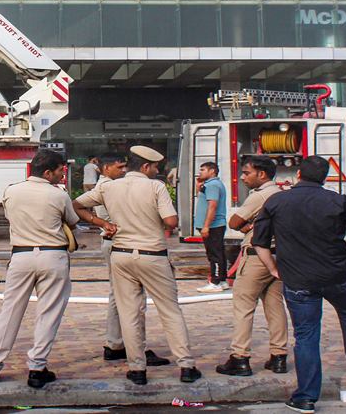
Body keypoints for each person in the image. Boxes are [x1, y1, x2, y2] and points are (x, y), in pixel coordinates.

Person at [252, 155, 346, 414]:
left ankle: (306, 397)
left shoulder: (277, 201)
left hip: (297, 278)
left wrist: (273, 268)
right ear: (324, 178)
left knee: (306, 335)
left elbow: (260, 242)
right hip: (337, 273)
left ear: (299, 175)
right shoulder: (337, 200)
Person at [74, 145, 201, 386]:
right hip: (152, 254)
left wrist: (101, 222)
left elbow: (76, 205)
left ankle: (136, 368)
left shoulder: (109, 187)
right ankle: (186, 365)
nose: (156, 171)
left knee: (130, 313)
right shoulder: (155, 186)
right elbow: (171, 221)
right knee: (169, 310)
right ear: (145, 167)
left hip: (121, 254)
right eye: (154, 167)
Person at [0, 150, 79, 388]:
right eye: (59, 171)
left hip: (21, 255)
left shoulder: (11, 190)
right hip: (53, 255)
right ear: (47, 172)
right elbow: (73, 221)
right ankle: (37, 367)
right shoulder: (59, 195)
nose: (61, 175)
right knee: (49, 313)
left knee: (10, 311)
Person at [93, 152, 172, 367]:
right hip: (122, 244)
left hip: (121, 245)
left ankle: (118, 343)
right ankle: (127, 346)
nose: (123, 171)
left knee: (120, 297)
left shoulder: (113, 185)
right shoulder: (107, 187)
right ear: (106, 168)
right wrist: (103, 224)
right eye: (119, 167)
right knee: (130, 301)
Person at [217, 155, 289, 377]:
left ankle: (240, 357)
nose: (242, 177)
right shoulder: (281, 194)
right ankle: (279, 356)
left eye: (246, 172)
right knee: (275, 307)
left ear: (262, 174)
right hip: (278, 256)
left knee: (244, 305)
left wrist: (248, 227)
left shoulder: (260, 196)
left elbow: (234, 222)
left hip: (256, 256)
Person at [194, 161, 228, 293]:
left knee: (214, 254)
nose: (200, 172)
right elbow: (202, 198)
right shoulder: (210, 185)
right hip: (214, 225)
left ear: (212, 171)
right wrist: (198, 186)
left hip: (213, 226)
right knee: (218, 252)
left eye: (203, 170)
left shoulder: (213, 185)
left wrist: (206, 226)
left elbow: (212, 206)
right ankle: (222, 280)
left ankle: (215, 282)